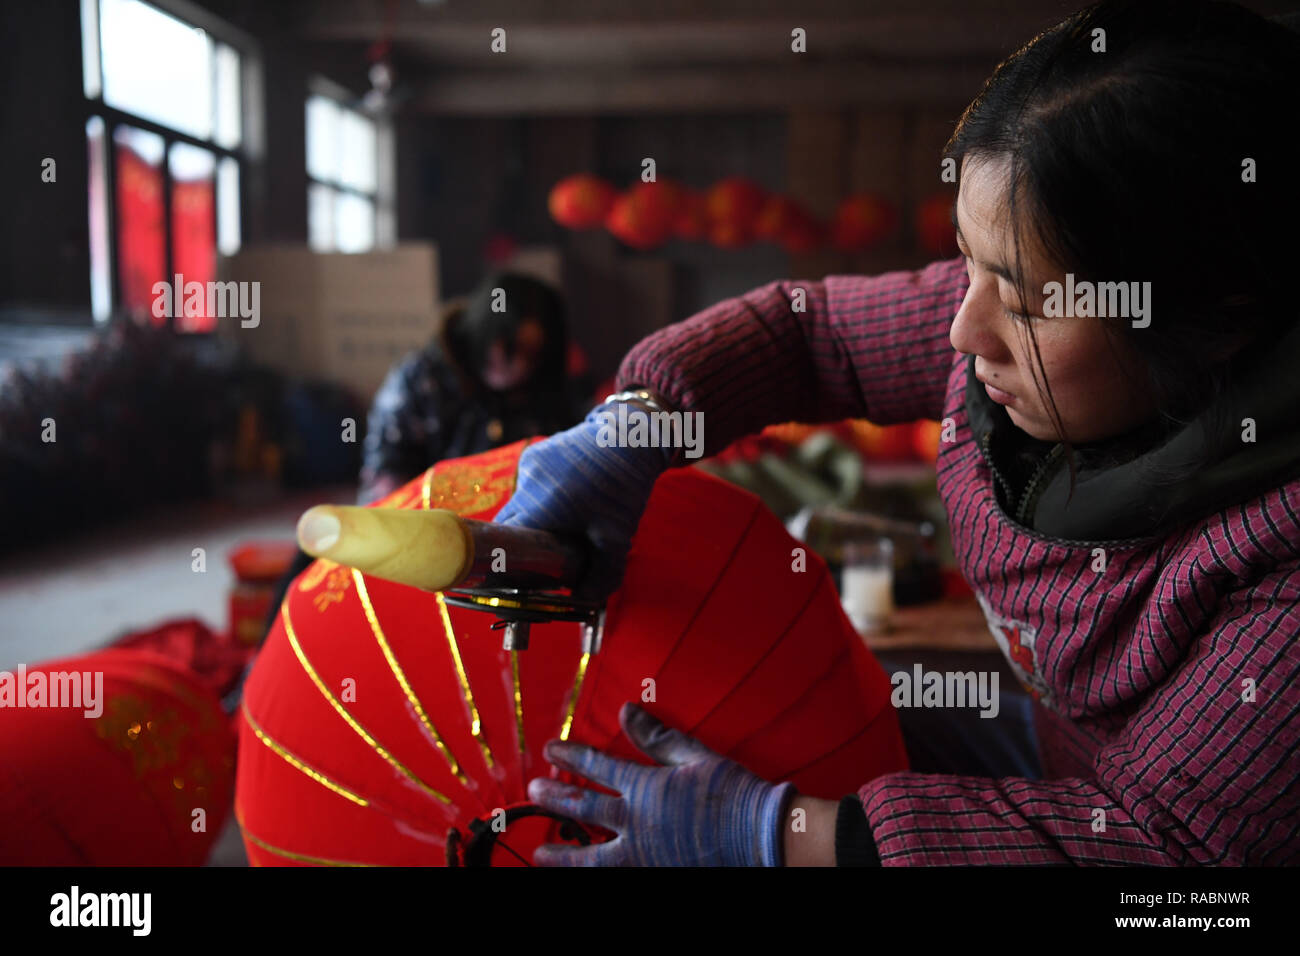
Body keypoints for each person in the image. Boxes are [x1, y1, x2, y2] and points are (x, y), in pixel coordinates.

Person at [495, 0, 1300, 865]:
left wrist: (784, 834)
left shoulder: (1280, 561)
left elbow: (1168, 852)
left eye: (1025, 300)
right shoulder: (1001, 345)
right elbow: (814, 330)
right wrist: (641, 421)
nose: (962, 330)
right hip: (1043, 746)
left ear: (1216, 323)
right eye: (968, 262)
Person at [359, 271, 590, 504]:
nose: (519, 366)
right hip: (422, 525)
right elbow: (386, 478)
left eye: (533, 355)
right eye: (511, 348)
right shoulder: (421, 380)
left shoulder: (548, 394)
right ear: (483, 331)